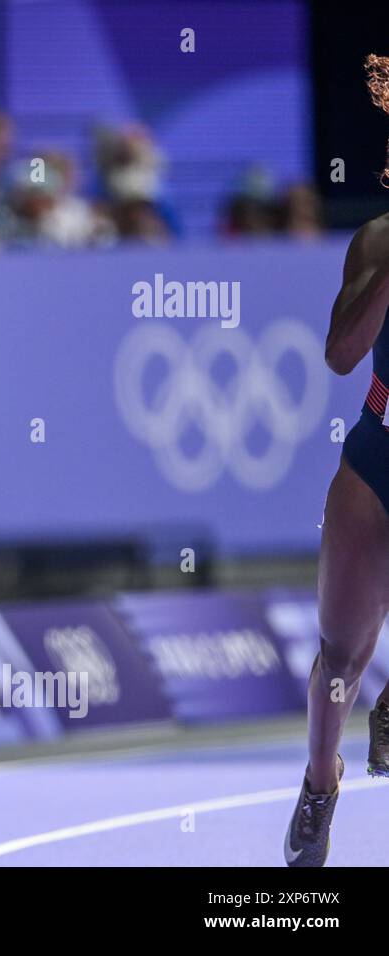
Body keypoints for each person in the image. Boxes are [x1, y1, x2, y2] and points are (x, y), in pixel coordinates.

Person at [283, 53, 389, 867]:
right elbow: (339, 356)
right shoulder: (376, 241)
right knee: (341, 653)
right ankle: (321, 783)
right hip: (378, 454)